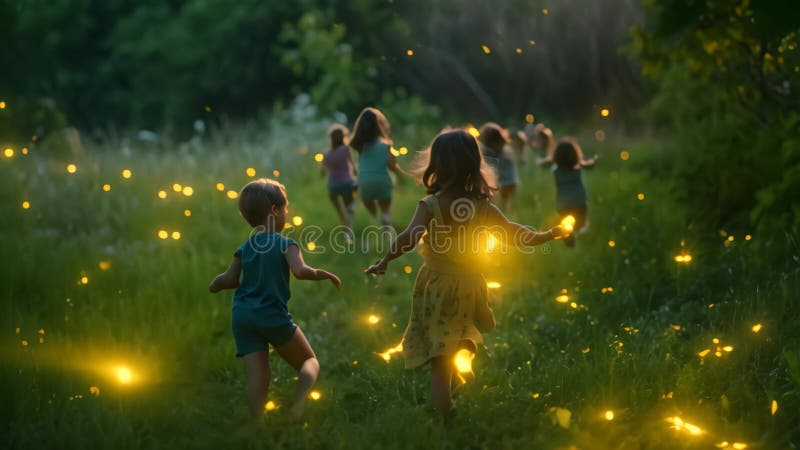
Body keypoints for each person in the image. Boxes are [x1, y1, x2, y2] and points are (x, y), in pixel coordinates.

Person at [365, 129, 564, 417]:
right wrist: (545, 236)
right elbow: (514, 233)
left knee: (440, 360)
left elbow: (408, 237)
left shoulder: (431, 205)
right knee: (464, 339)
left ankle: (445, 418)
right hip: (470, 287)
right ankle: (460, 371)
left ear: (438, 166)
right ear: (474, 164)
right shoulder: (483, 207)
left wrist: (385, 260)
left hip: (437, 286)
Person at [209, 178, 341, 419]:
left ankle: (255, 426)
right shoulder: (286, 244)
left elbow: (229, 280)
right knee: (309, 361)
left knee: (258, 378)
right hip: (272, 315)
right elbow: (300, 272)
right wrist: (324, 274)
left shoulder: (244, 248)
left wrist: (215, 284)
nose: (287, 214)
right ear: (275, 211)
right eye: (286, 209)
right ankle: (297, 406)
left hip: (243, 317)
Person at [348, 107, 404, 227]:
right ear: (378, 126)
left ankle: (374, 228)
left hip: (364, 182)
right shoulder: (385, 145)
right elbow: (392, 165)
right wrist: (402, 176)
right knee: (385, 211)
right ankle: (388, 232)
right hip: (382, 181)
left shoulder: (360, 146)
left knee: (372, 214)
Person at [552, 137, 598, 247]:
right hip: (579, 201)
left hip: (563, 204)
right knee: (580, 224)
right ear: (575, 154)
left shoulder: (555, 170)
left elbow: (547, 162)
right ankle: (580, 234)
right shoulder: (578, 167)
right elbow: (589, 165)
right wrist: (594, 160)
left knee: (566, 226)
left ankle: (570, 242)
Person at [321, 123, 357, 238]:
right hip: (347, 183)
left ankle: (346, 234)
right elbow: (353, 166)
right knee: (349, 208)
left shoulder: (326, 154)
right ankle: (352, 209)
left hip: (332, 186)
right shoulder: (345, 149)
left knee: (340, 211)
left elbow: (322, 171)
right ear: (343, 136)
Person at [479, 122, 519, 213]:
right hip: (510, 182)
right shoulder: (507, 150)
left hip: (502, 184)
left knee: (498, 209)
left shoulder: (489, 153)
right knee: (504, 208)